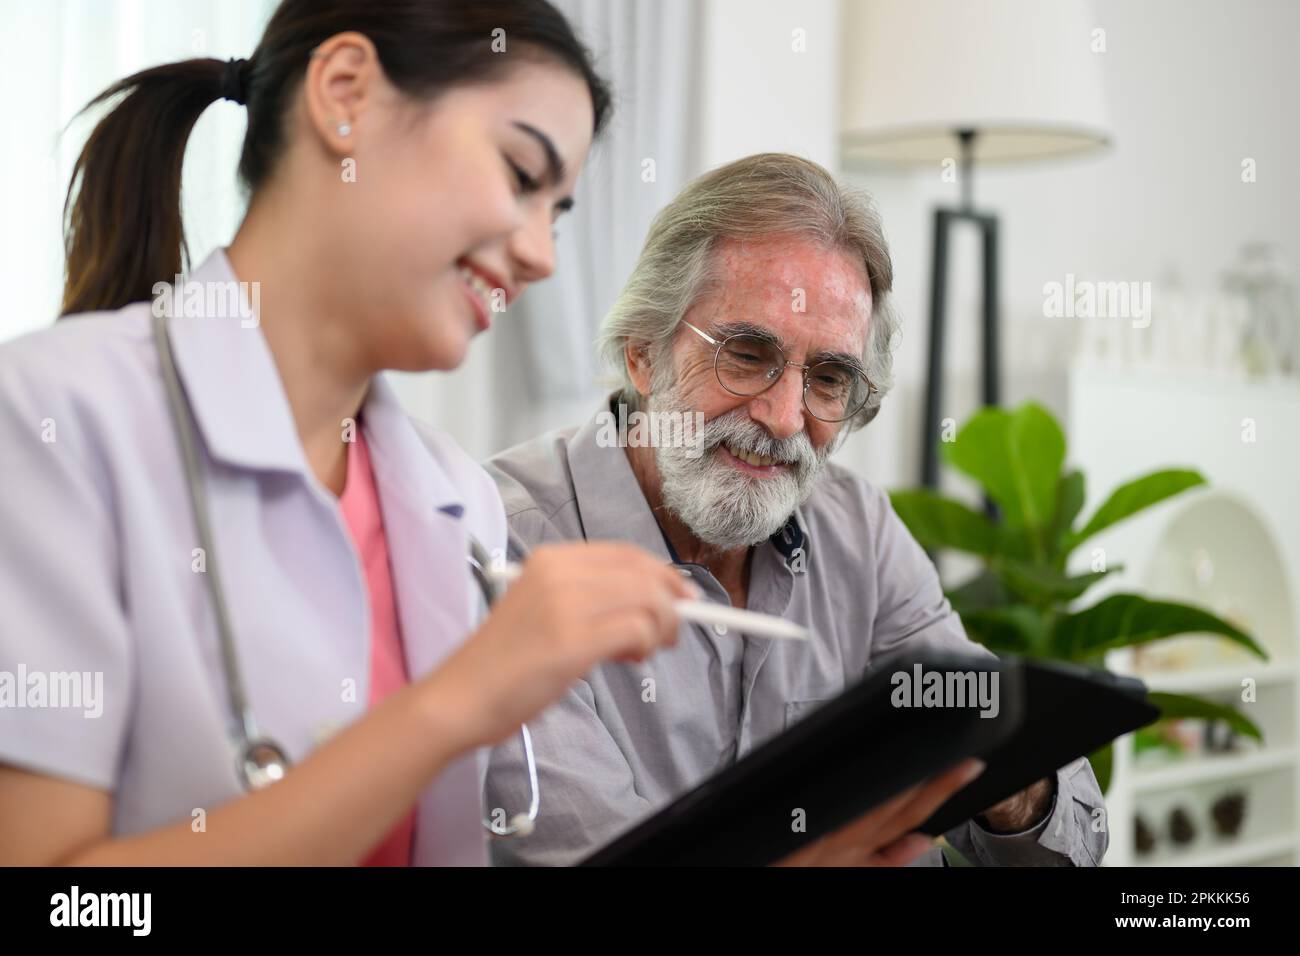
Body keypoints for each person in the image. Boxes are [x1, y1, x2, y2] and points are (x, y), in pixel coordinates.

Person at [0, 0, 703, 866]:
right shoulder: (50, 417)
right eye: (522, 173)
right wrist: (455, 704)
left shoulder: (460, 503)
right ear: (344, 94)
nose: (543, 256)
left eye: (557, 215)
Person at [484, 153, 1107, 867]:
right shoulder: (506, 548)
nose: (784, 418)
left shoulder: (856, 529)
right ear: (642, 354)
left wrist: (1011, 780)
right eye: (746, 355)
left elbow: (1064, 849)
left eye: (829, 377)